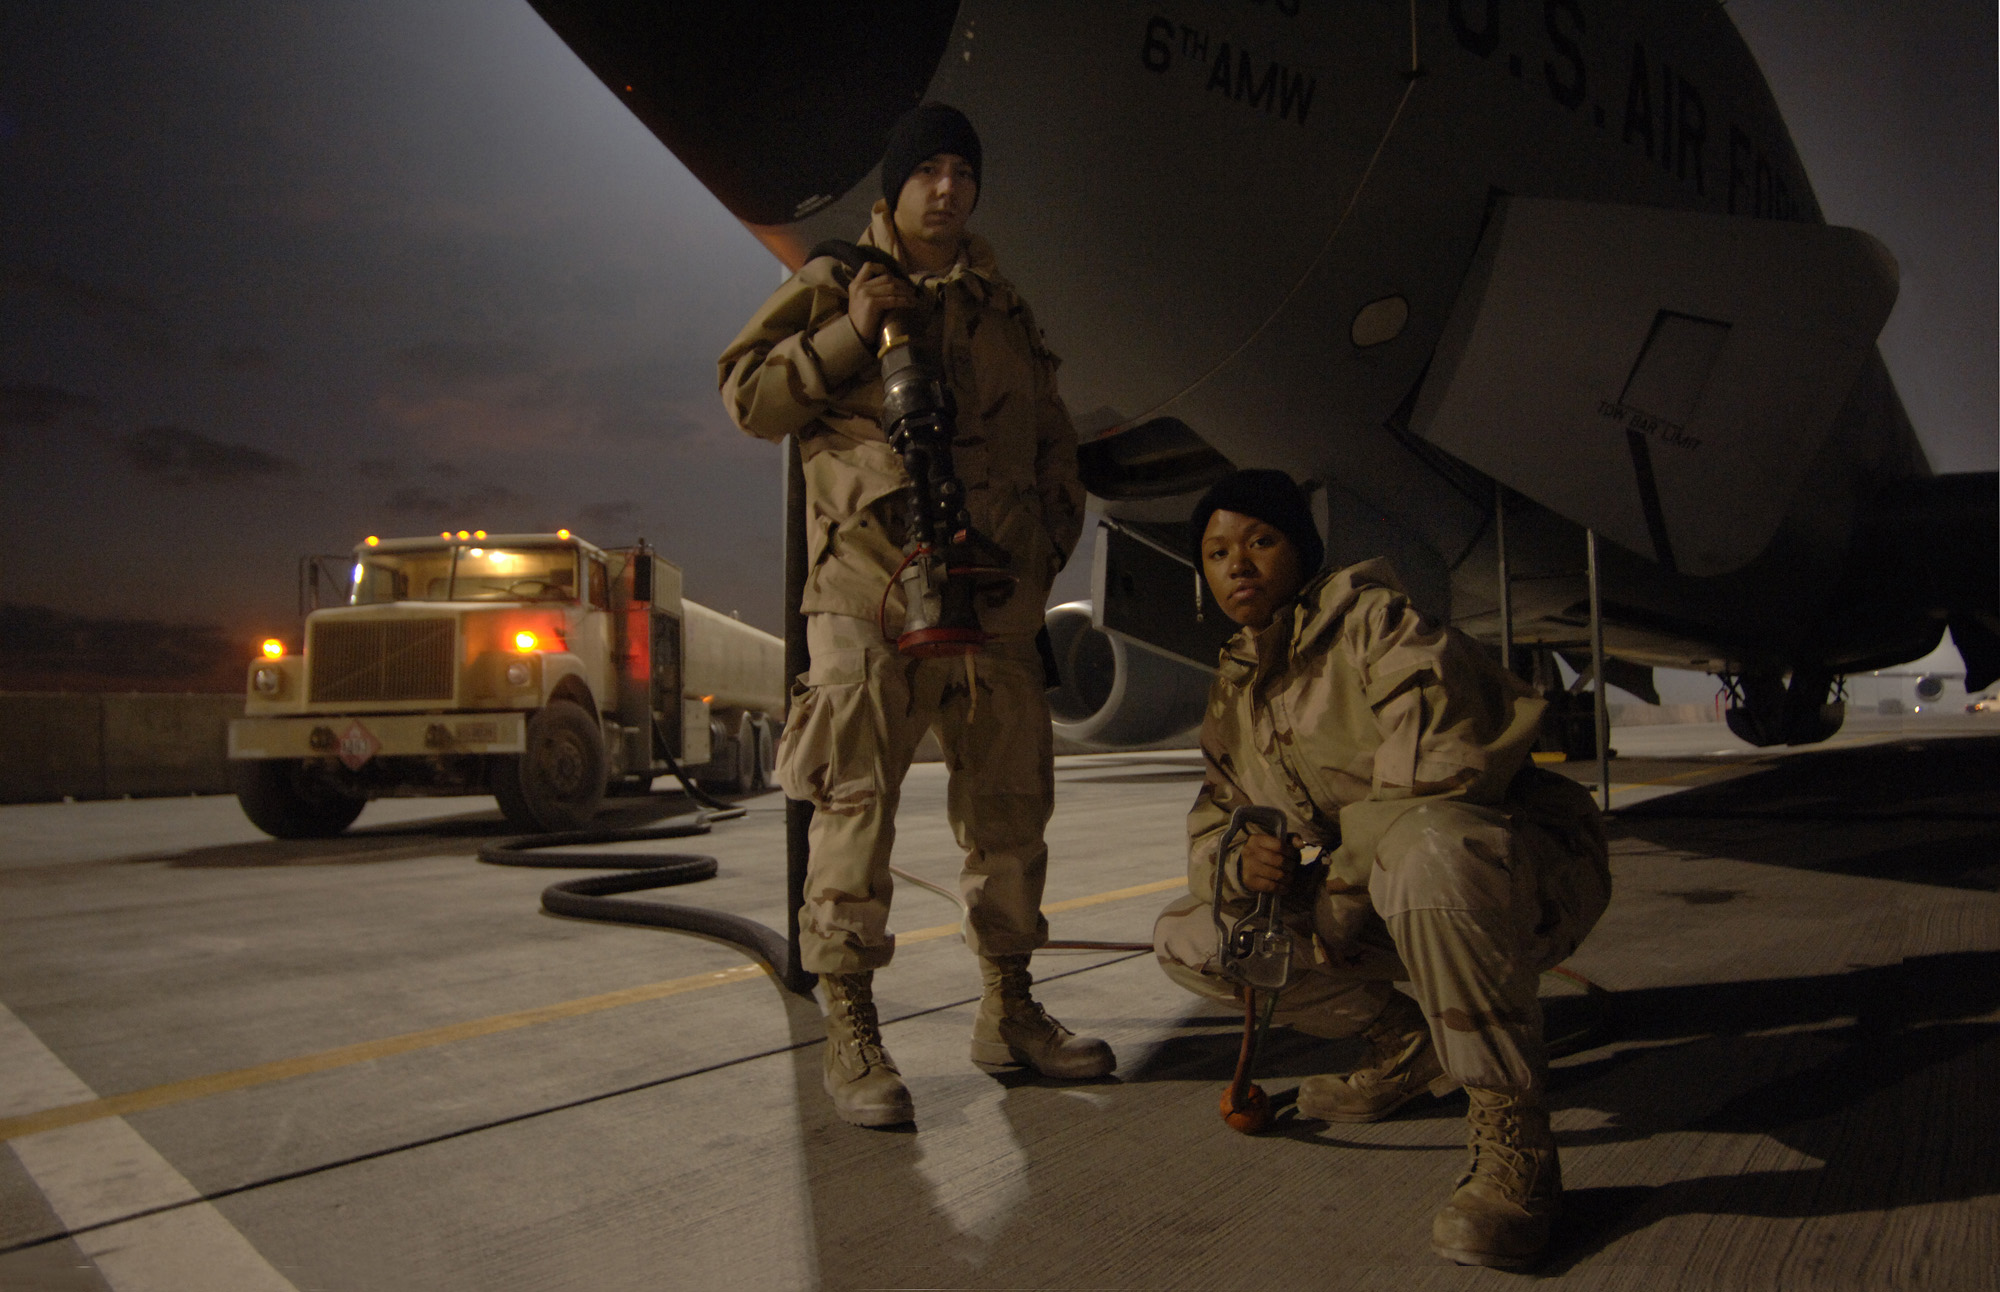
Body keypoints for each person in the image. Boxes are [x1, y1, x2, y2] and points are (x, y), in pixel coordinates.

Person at [718, 103, 1112, 1128]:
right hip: (866, 590)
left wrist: (1039, 551)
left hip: (991, 597)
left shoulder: (1003, 311)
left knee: (1010, 816)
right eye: (926, 170)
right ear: (892, 189)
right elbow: (749, 398)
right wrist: (853, 329)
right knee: (853, 807)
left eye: (961, 172)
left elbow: (1053, 448)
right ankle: (851, 1025)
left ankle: (1009, 1009)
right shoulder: (830, 282)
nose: (946, 187)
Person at [1152, 469, 1611, 1269]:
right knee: (1190, 936)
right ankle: (1404, 1046)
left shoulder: (1379, 626)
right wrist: (1239, 862)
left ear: (1303, 552)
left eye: (1261, 541)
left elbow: (1442, 769)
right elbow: (1212, 824)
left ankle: (1516, 1144)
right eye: (1217, 552)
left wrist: (1337, 884)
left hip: (1512, 876)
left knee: (1424, 848)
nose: (1238, 566)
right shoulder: (1238, 693)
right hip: (1383, 903)